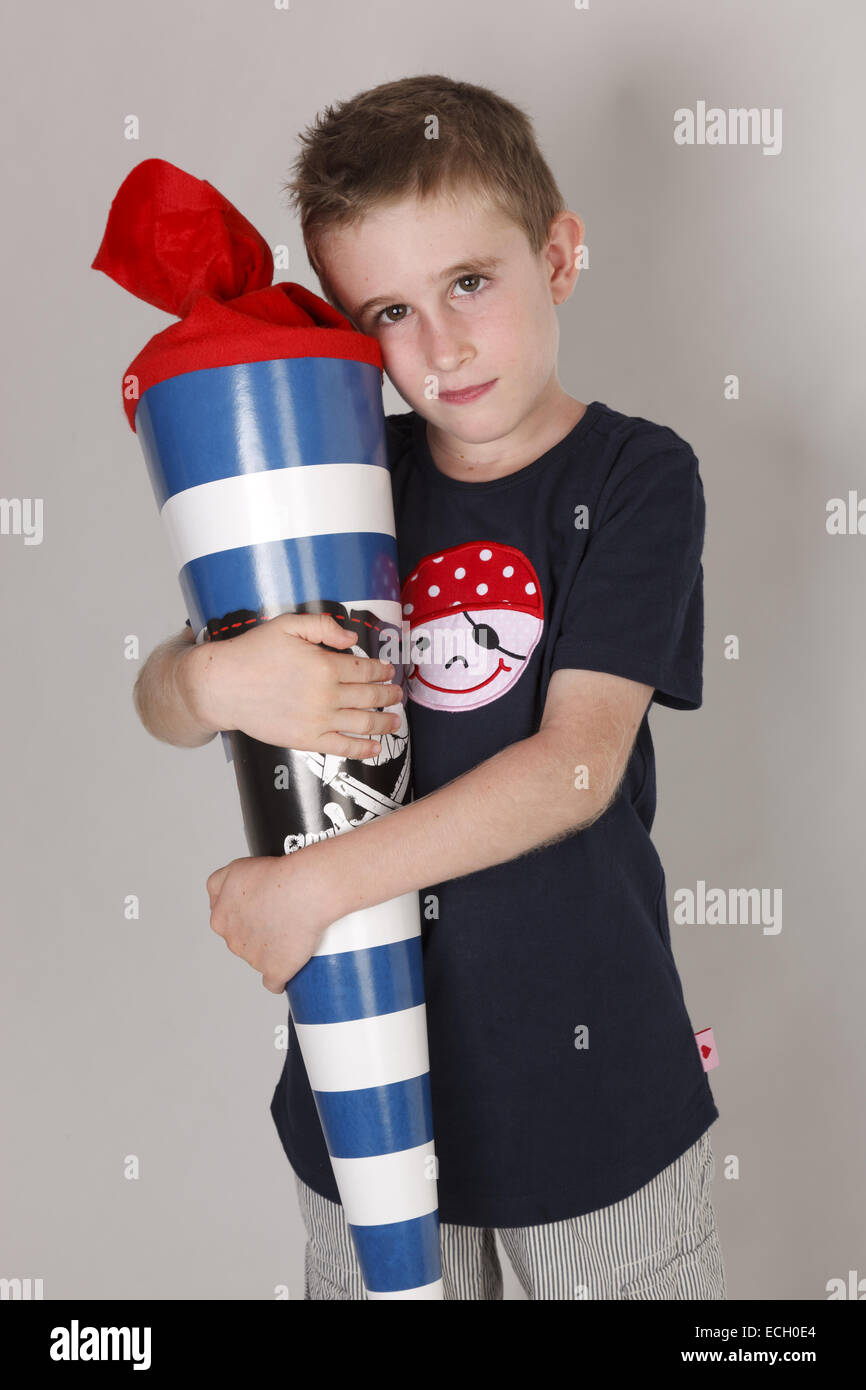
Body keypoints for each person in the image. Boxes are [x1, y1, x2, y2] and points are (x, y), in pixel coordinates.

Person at [134, 73, 726, 1301]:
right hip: (361, 1071)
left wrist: (311, 886)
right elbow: (158, 703)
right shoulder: (345, 474)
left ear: (556, 254)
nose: (439, 344)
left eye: (469, 282)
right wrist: (216, 675)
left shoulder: (636, 477)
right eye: (388, 311)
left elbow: (573, 767)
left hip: (592, 1087)